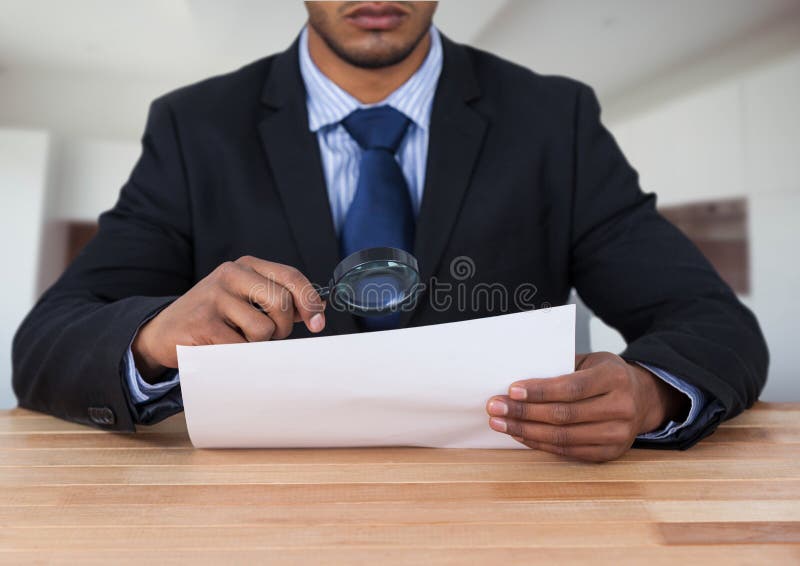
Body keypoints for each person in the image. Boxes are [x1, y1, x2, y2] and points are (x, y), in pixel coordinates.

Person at [12, 1, 768, 462]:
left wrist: (648, 394)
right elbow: (45, 343)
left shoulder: (553, 121)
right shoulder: (194, 128)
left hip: (507, 517)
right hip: (251, 523)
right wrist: (149, 337)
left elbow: (710, 322)